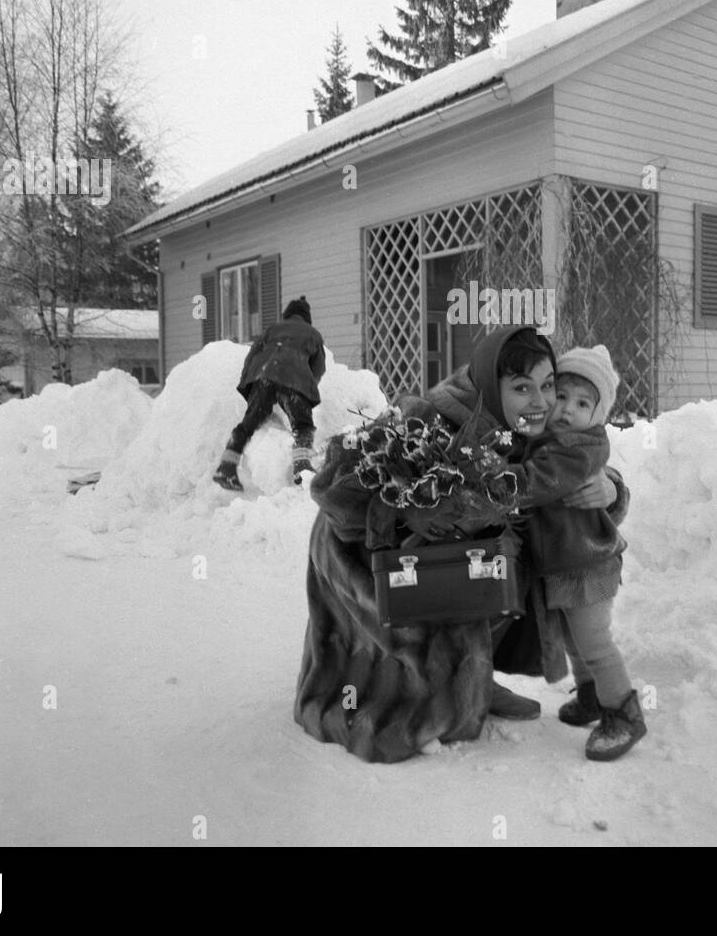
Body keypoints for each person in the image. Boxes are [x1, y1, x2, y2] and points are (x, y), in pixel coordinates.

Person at [293, 324, 628, 763]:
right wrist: (407, 508)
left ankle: (475, 683)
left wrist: (612, 488)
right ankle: (430, 693)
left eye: (548, 386)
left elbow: (563, 468)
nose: (544, 402)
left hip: (455, 557)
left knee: (499, 560)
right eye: (523, 387)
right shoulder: (435, 417)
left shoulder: (522, 423)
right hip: (360, 562)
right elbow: (333, 490)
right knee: (435, 608)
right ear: (492, 383)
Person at [521, 345, 646, 761]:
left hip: (589, 563)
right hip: (564, 563)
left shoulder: (580, 448)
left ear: (599, 414)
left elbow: (539, 481)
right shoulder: (550, 439)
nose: (567, 410)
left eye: (582, 403)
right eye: (561, 397)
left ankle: (623, 714)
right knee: (575, 641)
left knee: (594, 642)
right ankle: (591, 696)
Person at [213, 296, 325, 490]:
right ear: (307, 317)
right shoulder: (312, 334)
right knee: (303, 427)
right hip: (295, 382)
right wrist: (306, 387)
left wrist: (251, 391)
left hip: (263, 377)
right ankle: (302, 467)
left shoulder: (272, 330)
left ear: (287, 315)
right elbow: (318, 369)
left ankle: (227, 467)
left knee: (248, 425)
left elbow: (251, 358)